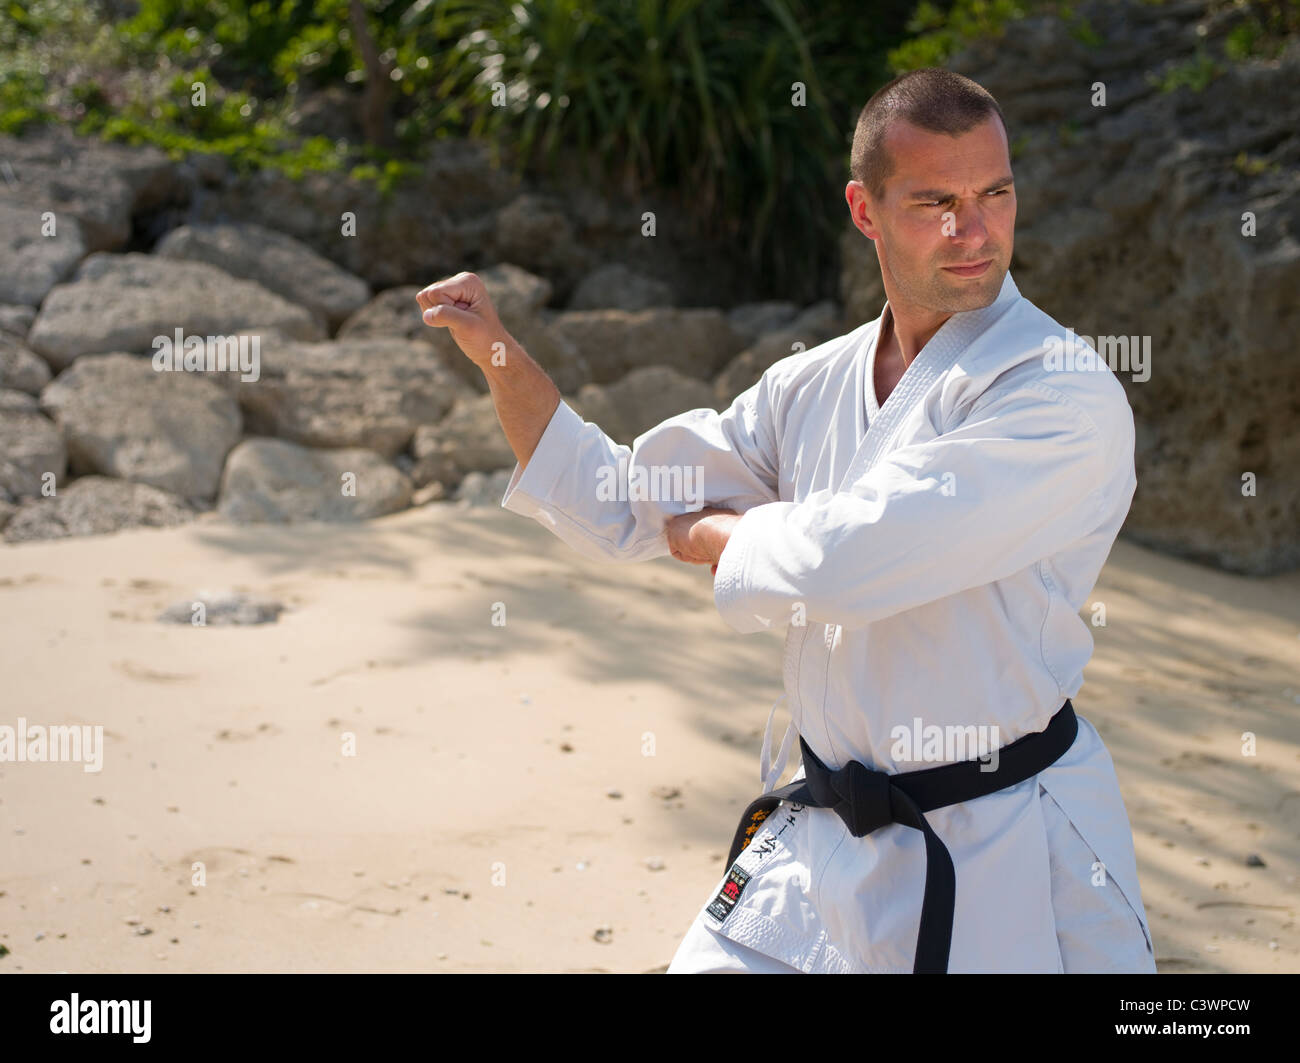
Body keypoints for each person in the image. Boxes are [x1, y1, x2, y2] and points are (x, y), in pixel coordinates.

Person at [416, 67, 1157, 974]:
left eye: (994, 193)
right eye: (935, 202)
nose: (974, 230)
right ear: (865, 209)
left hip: (1000, 837)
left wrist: (714, 537)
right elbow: (621, 497)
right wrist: (499, 355)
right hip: (826, 831)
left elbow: (849, 559)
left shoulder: (1060, 393)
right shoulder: (813, 383)